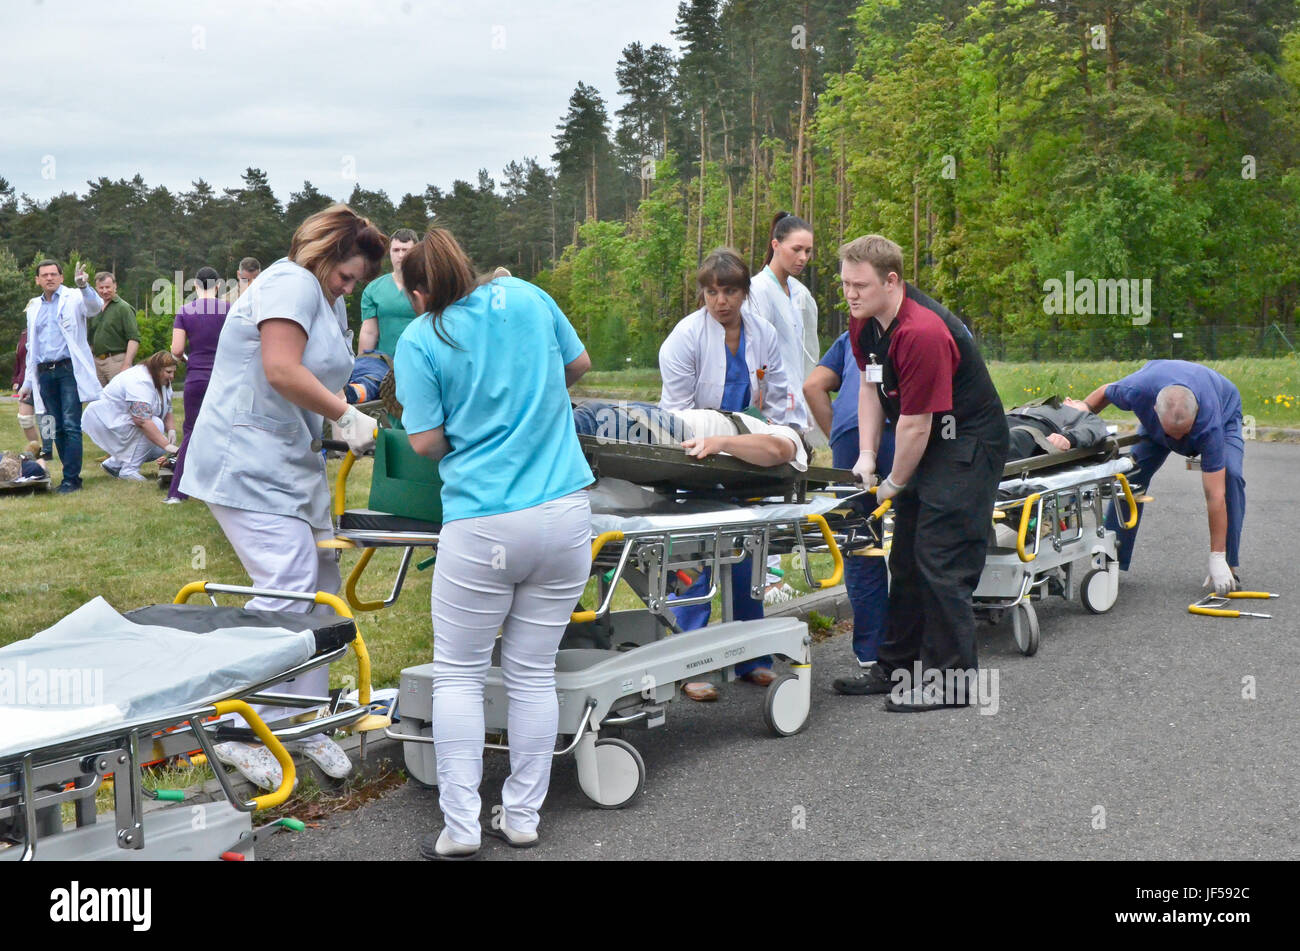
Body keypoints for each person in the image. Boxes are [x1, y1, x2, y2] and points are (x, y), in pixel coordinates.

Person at [394, 228, 594, 860]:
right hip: (563, 514)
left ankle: (460, 827)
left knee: (460, 676)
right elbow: (579, 365)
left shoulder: (421, 338)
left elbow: (424, 442)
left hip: (482, 523)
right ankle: (523, 816)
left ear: (421, 289)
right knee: (534, 674)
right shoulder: (529, 298)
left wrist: (476, 432)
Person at [179, 204, 387, 788]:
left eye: (356, 280)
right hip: (244, 458)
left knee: (321, 583)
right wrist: (346, 416)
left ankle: (303, 718)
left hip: (291, 461)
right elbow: (279, 369)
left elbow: (320, 374)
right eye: (345, 274)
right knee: (286, 583)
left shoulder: (328, 296)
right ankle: (244, 731)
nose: (349, 285)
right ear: (321, 253)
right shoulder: (291, 281)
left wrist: (352, 398)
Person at [831, 235, 1008, 711]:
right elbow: (871, 388)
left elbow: (914, 423)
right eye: (846, 283)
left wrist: (894, 483)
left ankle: (952, 683)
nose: (850, 294)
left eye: (860, 284)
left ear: (892, 281)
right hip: (930, 437)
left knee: (941, 556)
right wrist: (867, 454)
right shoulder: (866, 322)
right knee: (904, 555)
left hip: (968, 439)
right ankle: (898, 669)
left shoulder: (922, 331)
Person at [658, 249, 797, 699]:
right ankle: (690, 665)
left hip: (747, 455)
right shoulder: (684, 337)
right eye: (712, 292)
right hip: (695, 454)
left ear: (744, 292)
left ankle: (750, 659)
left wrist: (775, 439)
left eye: (730, 291)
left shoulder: (764, 334)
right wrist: (711, 442)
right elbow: (677, 413)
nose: (720, 301)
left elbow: (776, 398)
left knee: (748, 555)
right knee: (694, 559)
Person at [1072, 359, 1246, 593]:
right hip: (1160, 422)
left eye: (1182, 435)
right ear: (1154, 409)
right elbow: (1103, 393)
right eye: (1171, 435)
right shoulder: (1136, 391)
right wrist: (1079, 418)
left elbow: (1215, 495)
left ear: (1196, 416)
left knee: (1231, 476)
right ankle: (1111, 557)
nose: (1177, 442)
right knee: (1129, 477)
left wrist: (1217, 556)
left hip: (1225, 413)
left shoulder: (1210, 423)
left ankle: (1228, 565)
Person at [804, 331, 895, 669]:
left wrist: (841, 437)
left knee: (859, 542)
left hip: (851, 433)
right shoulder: (927, 328)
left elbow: (813, 386)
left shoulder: (850, 338)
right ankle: (914, 642)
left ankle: (871, 650)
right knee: (917, 534)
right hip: (903, 426)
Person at [16, 259, 103, 493]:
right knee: (55, 428)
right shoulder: (34, 306)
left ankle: (71, 479)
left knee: (71, 424)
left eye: (54, 274)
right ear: (37, 280)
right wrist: (27, 382)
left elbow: (95, 308)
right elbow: (31, 348)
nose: (49, 278)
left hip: (68, 370)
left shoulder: (74, 297)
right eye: (44, 275)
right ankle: (70, 474)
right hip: (44, 373)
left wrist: (84, 286)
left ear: (62, 277)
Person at [573, 400, 810, 469]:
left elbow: (779, 450)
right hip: (666, 421)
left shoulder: (786, 434)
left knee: (590, 420)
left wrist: (720, 442)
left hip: (676, 433)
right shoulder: (756, 426)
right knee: (587, 414)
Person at [166, 266, 230, 503]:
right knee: (224, 430)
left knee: (191, 431)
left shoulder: (185, 311)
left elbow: (176, 350)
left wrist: (188, 359)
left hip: (196, 377)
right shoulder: (228, 309)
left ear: (195, 286)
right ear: (218, 286)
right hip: (223, 378)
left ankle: (177, 493)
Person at [81, 351, 179, 481]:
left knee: (159, 448)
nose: (172, 376)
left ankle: (113, 464)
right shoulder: (140, 380)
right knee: (156, 426)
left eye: (173, 372)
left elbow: (168, 407)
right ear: (157, 369)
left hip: (123, 420)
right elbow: (142, 421)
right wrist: (168, 446)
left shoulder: (163, 381)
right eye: (168, 372)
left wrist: (171, 430)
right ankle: (129, 470)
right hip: (106, 421)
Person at [358, 229, 418, 356]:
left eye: (406, 250)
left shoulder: (429, 287)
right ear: (389, 253)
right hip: (385, 366)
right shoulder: (373, 289)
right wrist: (363, 364)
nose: (401, 255)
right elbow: (369, 332)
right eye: (396, 250)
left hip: (421, 364)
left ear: (416, 252)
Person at [89, 272, 141, 385]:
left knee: (119, 399)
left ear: (115, 286)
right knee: (99, 400)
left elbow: (134, 338)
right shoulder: (94, 309)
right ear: (96, 288)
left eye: (108, 287)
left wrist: (127, 364)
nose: (104, 291)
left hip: (117, 362)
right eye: (101, 288)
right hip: (96, 363)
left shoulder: (124, 308)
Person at [11, 328, 45, 454]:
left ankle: (49, 449)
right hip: (25, 382)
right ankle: (36, 449)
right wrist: (16, 379)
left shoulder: (45, 327)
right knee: (24, 418)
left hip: (44, 377)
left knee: (48, 418)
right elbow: (19, 360)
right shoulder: (24, 334)